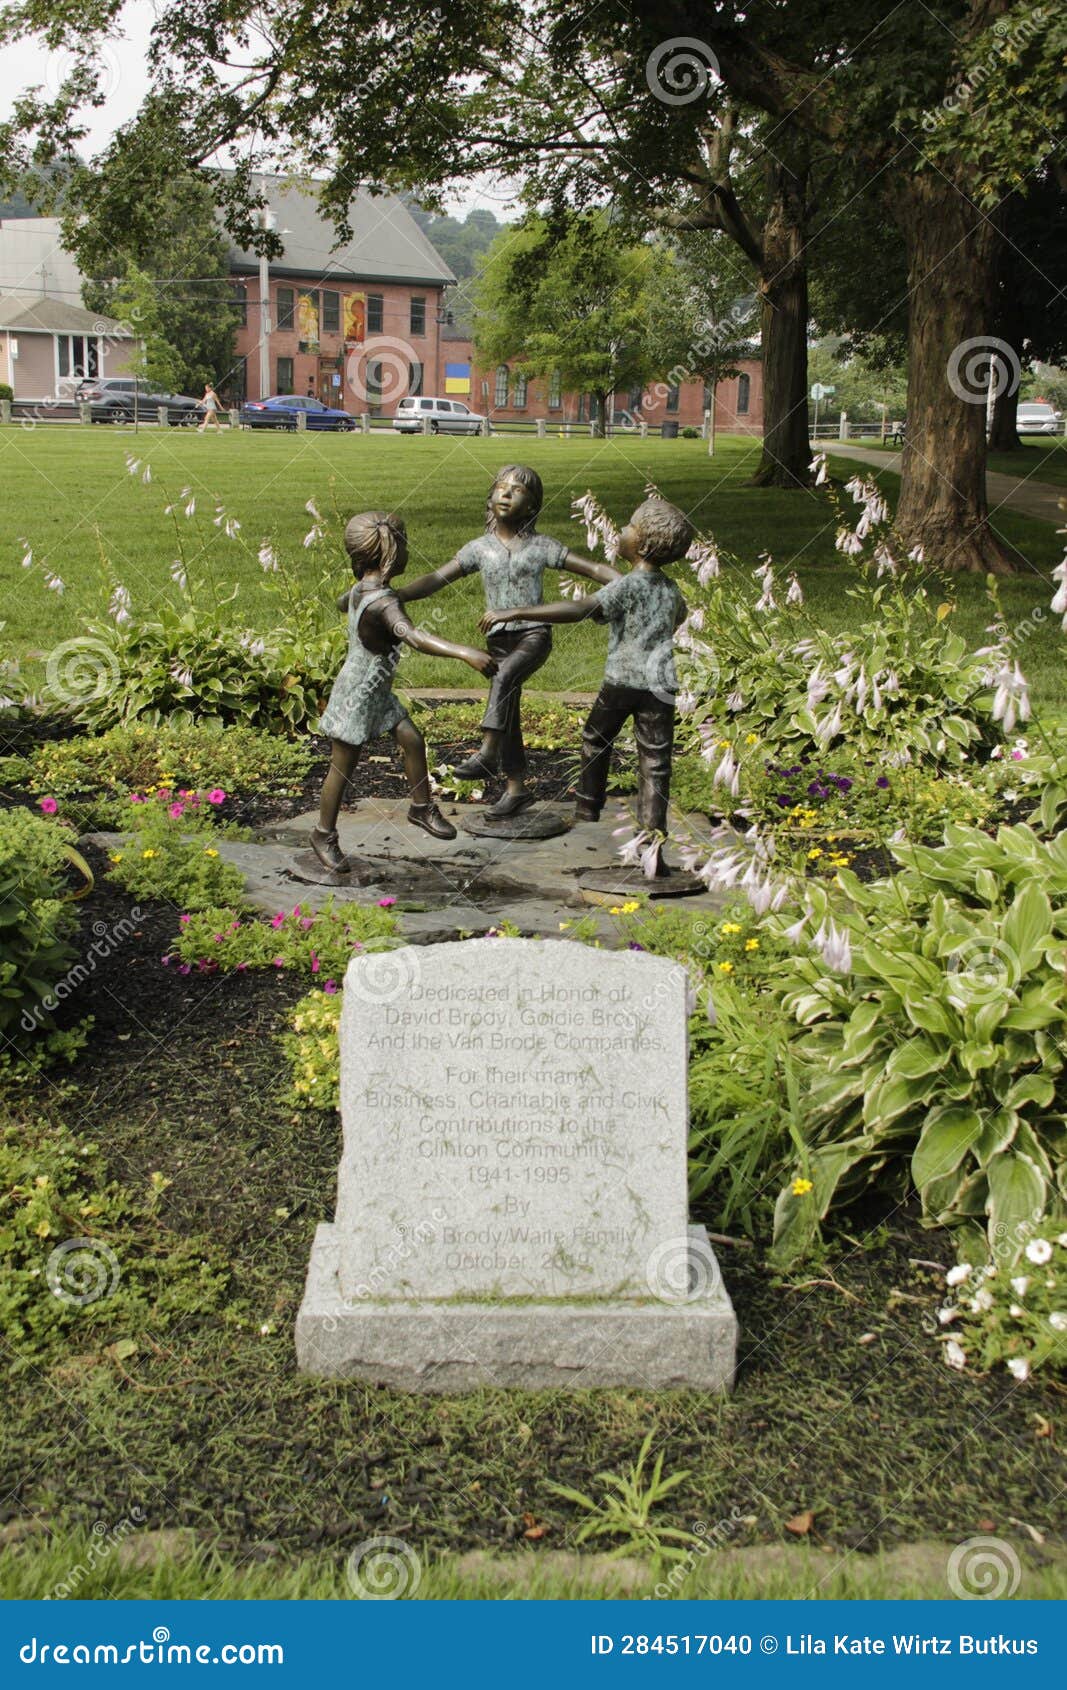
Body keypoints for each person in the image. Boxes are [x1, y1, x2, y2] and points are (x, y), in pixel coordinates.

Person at [480, 496, 694, 871]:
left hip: (622, 682)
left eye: (630, 526)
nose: (623, 531)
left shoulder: (629, 585)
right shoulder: (670, 588)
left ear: (643, 544)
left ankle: (588, 805)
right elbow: (678, 618)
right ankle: (653, 847)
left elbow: (581, 609)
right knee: (655, 763)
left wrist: (516, 611)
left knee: (596, 738)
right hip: (661, 685)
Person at [398, 465, 616, 819]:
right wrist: (396, 595)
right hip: (498, 642)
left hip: (534, 635)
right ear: (490, 498)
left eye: (518, 490)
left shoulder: (542, 547)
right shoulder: (479, 549)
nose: (507, 493)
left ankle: (487, 752)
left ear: (532, 506)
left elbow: (592, 569)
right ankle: (516, 790)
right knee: (508, 711)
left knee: (504, 677)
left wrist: (629, 582)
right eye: (501, 487)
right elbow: (436, 579)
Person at [311, 512, 497, 873]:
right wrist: (465, 652)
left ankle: (421, 808)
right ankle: (323, 834)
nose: (409, 549)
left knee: (411, 738)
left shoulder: (364, 590)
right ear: (391, 552)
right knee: (342, 766)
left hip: (376, 689)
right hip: (358, 694)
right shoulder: (384, 602)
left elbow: (342, 602)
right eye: (406, 543)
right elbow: (414, 637)